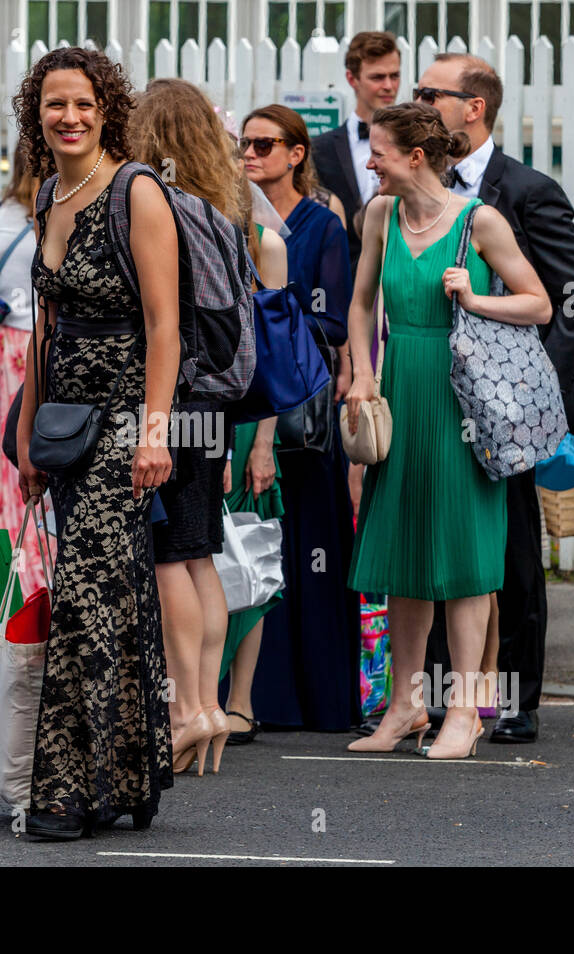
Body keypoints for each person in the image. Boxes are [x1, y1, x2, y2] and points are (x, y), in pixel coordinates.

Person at [346, 102, 551, 758]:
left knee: (464, 561)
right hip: (400, 388)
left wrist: (475, 297)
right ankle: (405, 708)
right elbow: (358, 303)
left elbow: (539, 302)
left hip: (463, 401)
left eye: (376, 150)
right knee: (403, 556)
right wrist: (361, 376)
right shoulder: (380, 215)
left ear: (413, 157)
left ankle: (463, 709)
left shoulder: (479, 220)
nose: (367, 161)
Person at [12, 47, 178, 838]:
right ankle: (128, 776)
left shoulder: (136, 191)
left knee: (84, 594)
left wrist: (153, 434)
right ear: (36, 113)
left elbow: (164, 325)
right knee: (116, 594)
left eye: (82, 104)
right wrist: (25, 431)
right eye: (54, 105)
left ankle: (65, 792)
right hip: (66, 422)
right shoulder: (50, 191)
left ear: (107, 108)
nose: (68, 117)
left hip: (122, 420)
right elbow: (47, 324)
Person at [415, 53, 574, 744]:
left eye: (431, 92)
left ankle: (518, 699)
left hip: (509, 410)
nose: (419, 99)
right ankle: (442, 701)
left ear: (474, 107)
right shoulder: (418, 186)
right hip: (431, 397)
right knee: (440, 550)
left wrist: (528, 393)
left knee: (512, 552)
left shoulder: (527, 190)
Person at [127, 77, 239, 775]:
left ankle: (185, 710)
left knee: (167, 555)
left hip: (171, 398)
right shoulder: (220, 213)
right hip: (215, 402)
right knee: (199, 555)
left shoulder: (155, 206)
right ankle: (212, 706)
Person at [240, 104, 360, 732]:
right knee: (255, 545)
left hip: (301, 408)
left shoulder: (321, 224)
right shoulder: (232, 219)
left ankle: (321, 699)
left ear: (296, 154)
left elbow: (336, 319)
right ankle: (260, 697)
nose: (251, 154)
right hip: (245, 403)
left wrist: (280, 323)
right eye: (245, 144)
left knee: (310, 547)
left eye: (266, 144)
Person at [220, 175, 288, 747]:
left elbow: (274, 353)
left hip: (247, 422)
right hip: (197, 418)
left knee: (252, 557)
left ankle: (240, 699)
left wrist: (262, 443)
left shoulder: (265, 243)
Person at [0, 141, 48, 596]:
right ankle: (48, 570)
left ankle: (13, 572)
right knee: (50, 450)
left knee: (4, 458)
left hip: (2, 346)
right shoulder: (71, 210)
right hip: (48, 344)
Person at [312, 30, 402, 269]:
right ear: (352, 79)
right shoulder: (320, 149)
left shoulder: (413, 146)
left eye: (394, 76)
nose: (388, 86)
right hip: (341, 277)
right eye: (377, 77)